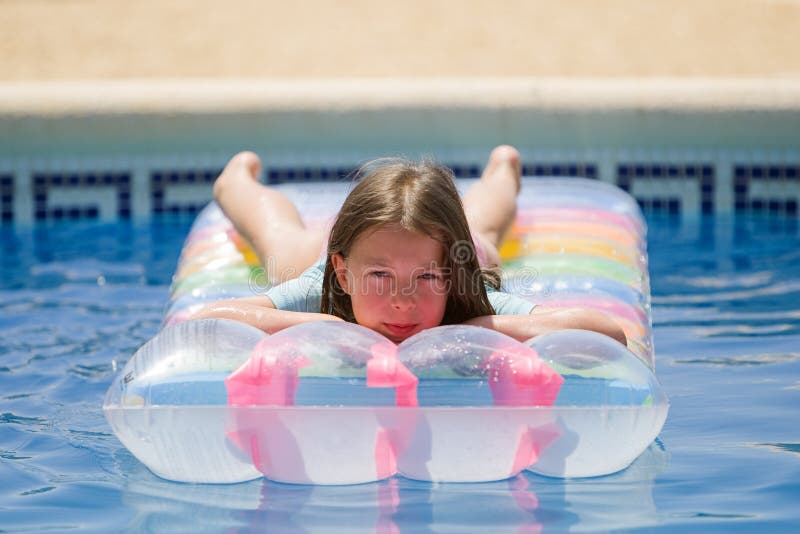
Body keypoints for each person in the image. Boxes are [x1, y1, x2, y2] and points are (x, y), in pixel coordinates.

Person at [193, 145, 626, 345]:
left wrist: (474, 329)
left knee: (483, 235)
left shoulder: (470, 302)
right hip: (335, 254)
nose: (402, 302)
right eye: (380, 278)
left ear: (450, 278)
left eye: (425, 279)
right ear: (344, 273)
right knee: (280, 242)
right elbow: (205, 321)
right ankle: (235, 182)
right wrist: (327, 327)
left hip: (462, 247)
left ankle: (503, 170)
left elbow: (607, 333)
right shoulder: (322, 292)